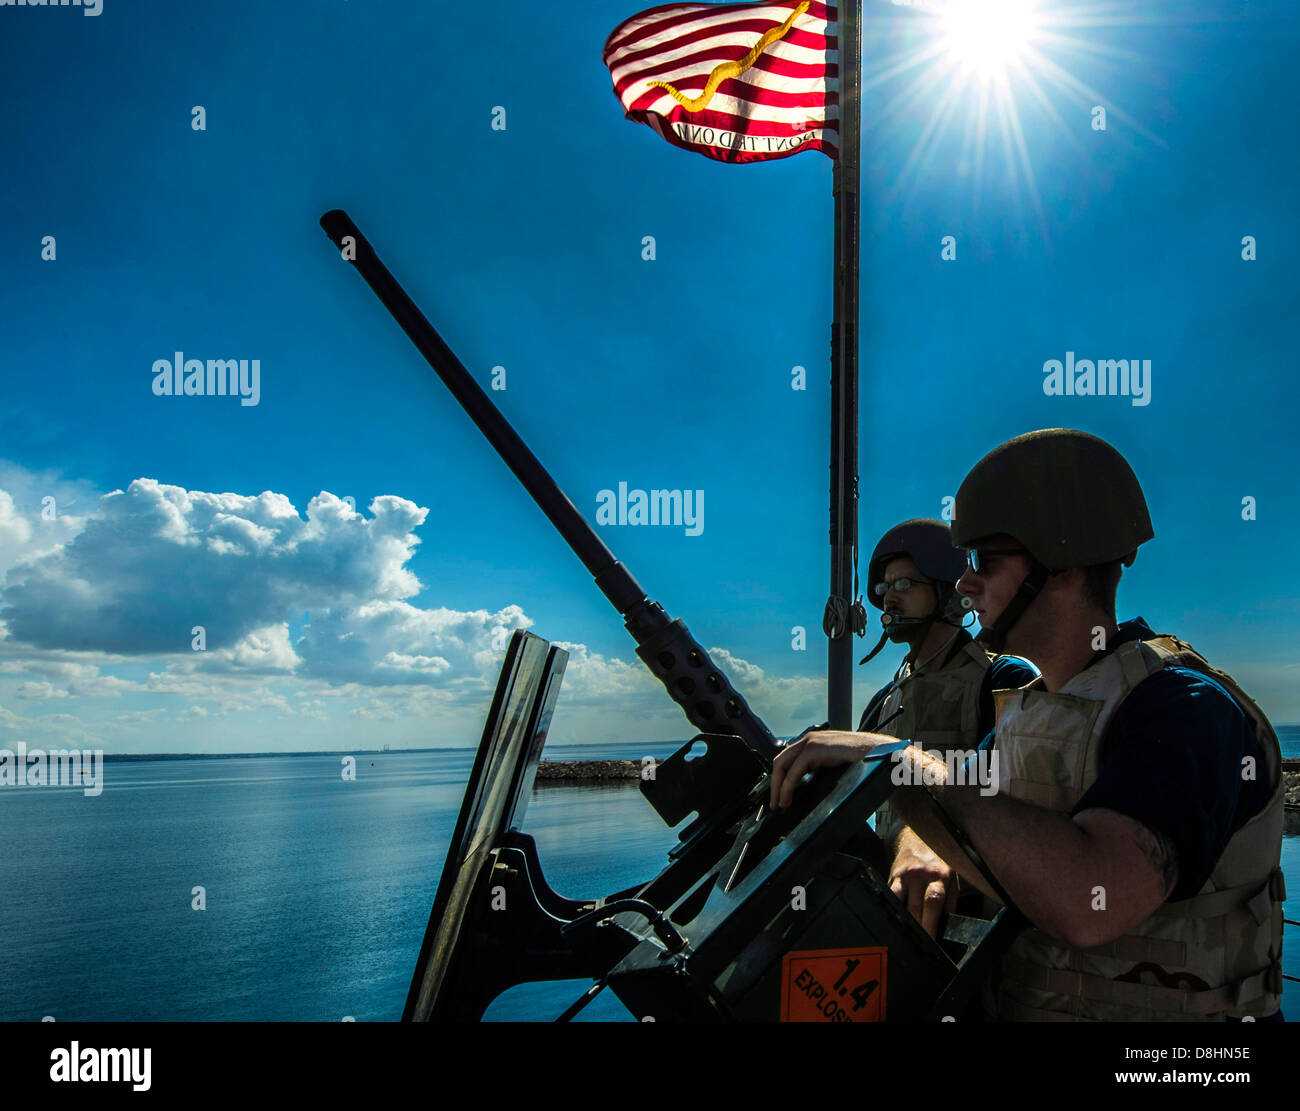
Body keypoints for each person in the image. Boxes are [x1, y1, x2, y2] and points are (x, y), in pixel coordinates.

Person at [773, 429, 1285, 1021]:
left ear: (1060, 565)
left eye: (987, 563)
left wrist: (894, 760)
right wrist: (924, 847)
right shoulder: (1029, 707)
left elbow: (1091, 901)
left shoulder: (1182, 706)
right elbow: (966, 806)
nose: (966, 585)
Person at [857, 519, 1036, 936]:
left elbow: (1019, 807)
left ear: (950, 594)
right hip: (895, 909)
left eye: (904, 585)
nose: (889, 601)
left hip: (974, 922)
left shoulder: (1001, 679)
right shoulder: (884, 701)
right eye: (883, 589)